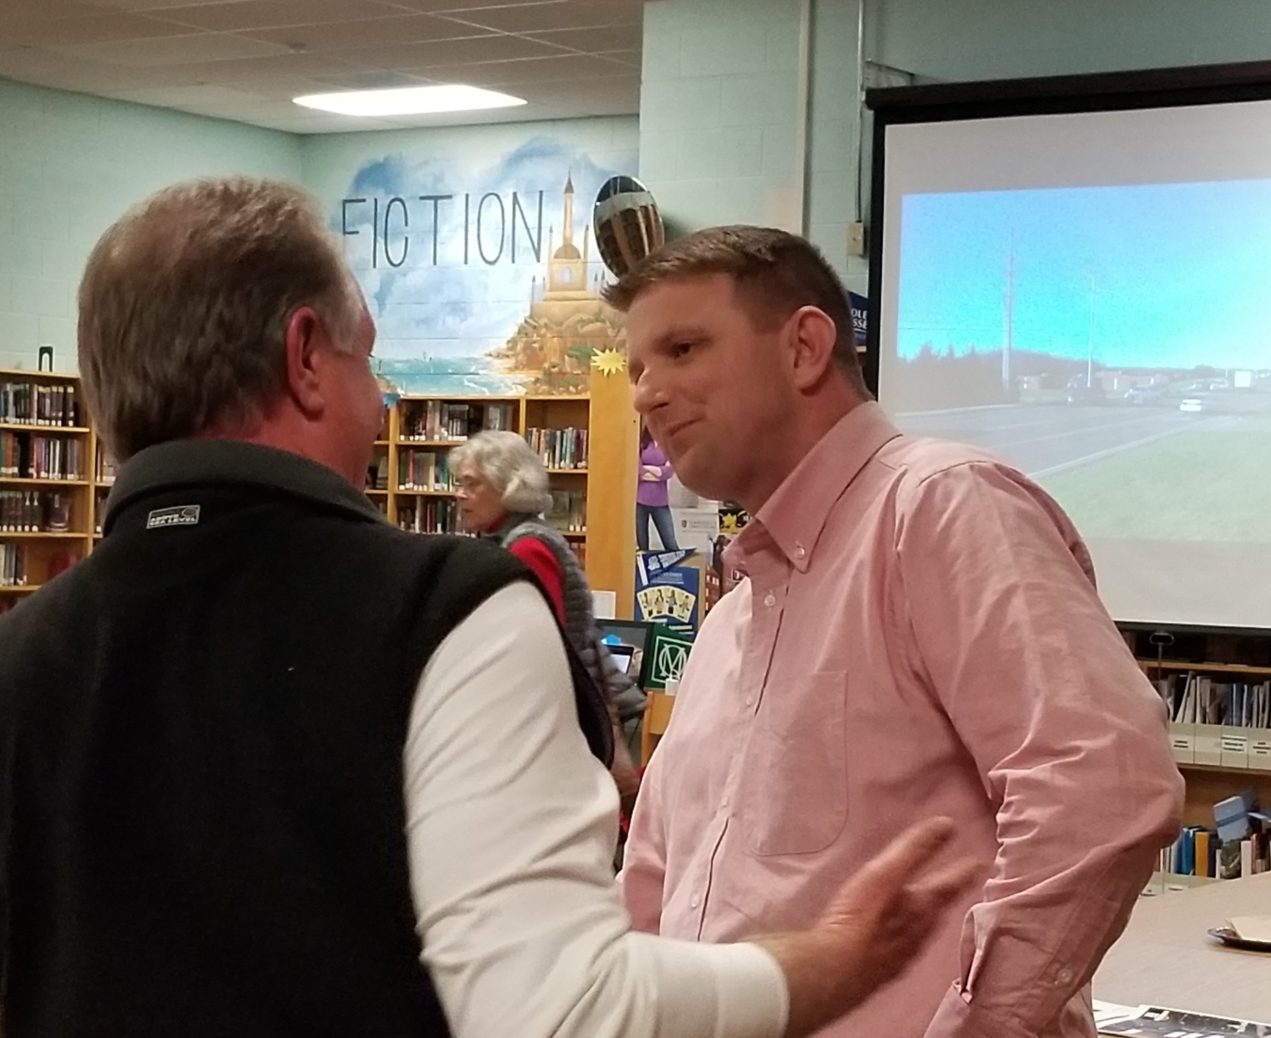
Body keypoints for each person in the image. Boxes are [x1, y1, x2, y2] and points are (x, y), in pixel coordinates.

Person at [0, 177, 983, 1038]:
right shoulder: (442, 611)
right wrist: (828, 966)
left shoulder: (23, 654)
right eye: (364, 362)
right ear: (305, 358)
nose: (381, 406)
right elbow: (557, 1012)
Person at [607, 225, 1186, 1038]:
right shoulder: (737, 613)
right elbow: (660, 883)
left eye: (683, 349)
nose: (646, 394)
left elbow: (1101, 784)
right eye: (638, 368)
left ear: (806, 346)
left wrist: (986, 1027)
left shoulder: (940, 506)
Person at [449, 429, 643, 812]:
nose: (460, 494)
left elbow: (543, 648)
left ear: (506, 486)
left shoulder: (526, 546)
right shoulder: (516, 538)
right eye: (459, 483)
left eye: (471, 484)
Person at [637, 422, 678, 550]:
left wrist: (650, 470)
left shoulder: (667, 446)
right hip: (640, 501)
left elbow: (669, 471)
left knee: (671, 544)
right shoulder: (642, 445)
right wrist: (658, 472)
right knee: (642, 546)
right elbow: (639, 472)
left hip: (660, 502)